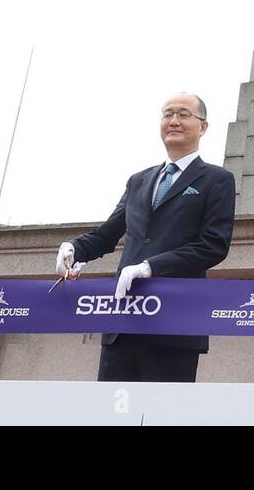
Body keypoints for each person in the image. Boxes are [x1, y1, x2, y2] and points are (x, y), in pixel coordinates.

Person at [56, 93, 235, 382]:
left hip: (174, 324)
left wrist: (151, 266)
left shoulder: (217, 180)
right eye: (167, 114)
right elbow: (107, 235)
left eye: (183, 114)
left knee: (164, 416)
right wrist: (73, 249)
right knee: (111, 416)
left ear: (203, 126)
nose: (174, 121)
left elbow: (213, 244)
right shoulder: (139, 180)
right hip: (123, 321)